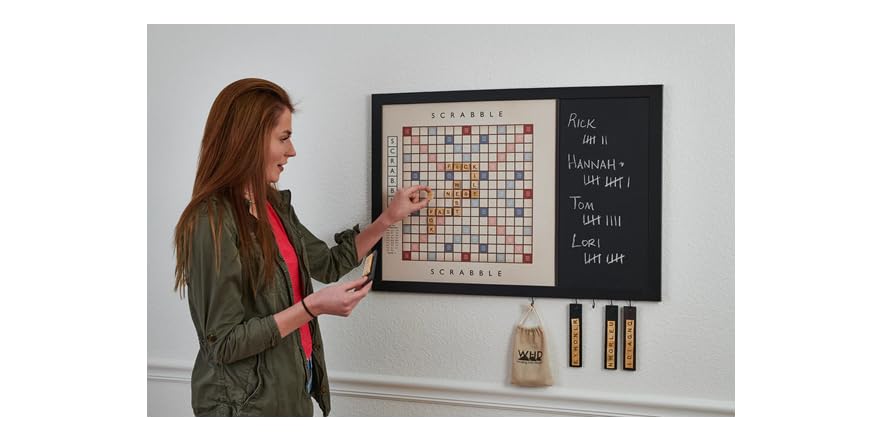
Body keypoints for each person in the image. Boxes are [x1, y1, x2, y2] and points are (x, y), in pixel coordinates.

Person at [173, 78, 429, 416]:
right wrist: (312, 307)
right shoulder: (210, 220)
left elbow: (327, 263)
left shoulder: (272, 205)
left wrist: (388, 219)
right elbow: (223, 343)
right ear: (249, 140)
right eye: (284, 138)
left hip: (293, 386)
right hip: (245, 408)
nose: (292, 151)